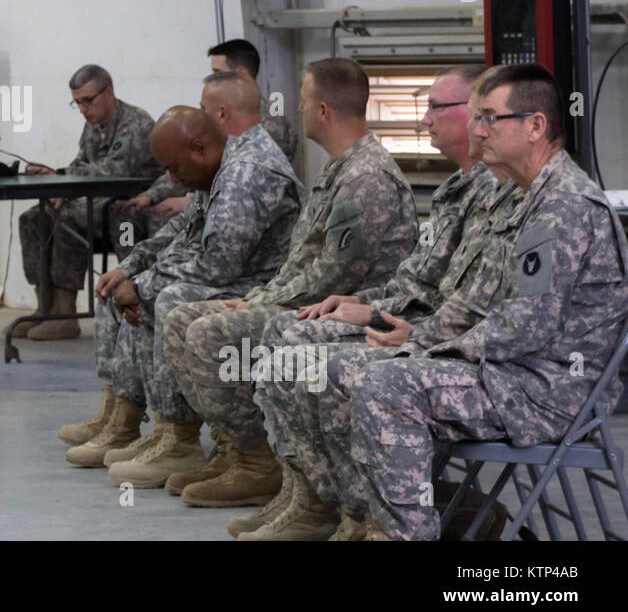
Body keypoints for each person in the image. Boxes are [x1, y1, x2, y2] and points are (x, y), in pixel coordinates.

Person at [242, 65, 524, 540]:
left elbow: (469, 309)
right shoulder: (462, 189)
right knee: (287, 344)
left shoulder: (504, 195)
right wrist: (366, 303)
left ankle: (369, 514)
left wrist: (382, 316)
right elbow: (424, 283)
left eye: (439, 108)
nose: (425, 120)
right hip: (426, 327)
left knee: (317, 360)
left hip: (481, 361)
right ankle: (324, 500)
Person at [350, 63, 628, 540]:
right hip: (519, 373)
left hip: (551, 391)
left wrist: (426, 348)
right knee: (367, 370)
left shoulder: (563, 206)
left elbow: (524, 327)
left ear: (535, 125)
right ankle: (390, 523)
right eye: (476, 118)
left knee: (388, 385)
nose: (477, 132)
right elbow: (488, 308)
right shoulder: (527, 196)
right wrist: (421, 340)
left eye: (490, 118)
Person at [166, 58, 418, 507]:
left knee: (209, 333)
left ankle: (259, 463)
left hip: (344, 313)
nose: (295, 112)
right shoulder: (338, 169)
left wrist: (255, 304)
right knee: (181, 317)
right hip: (309, 301)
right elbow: (299, 262)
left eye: (302, 103)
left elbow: (334, 276)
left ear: (323, 110)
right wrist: (257, 298)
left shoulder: (365, 177)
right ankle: (239, 452)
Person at [64, 95, 301, 487]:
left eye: (174, 168)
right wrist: (130, 267)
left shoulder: (245, 173)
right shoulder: (216, 167)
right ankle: (128, 418)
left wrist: (142, 287)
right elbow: (182, 230)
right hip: (235, 276)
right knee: (118, 289)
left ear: (200, 148)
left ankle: (181, 437)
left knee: (168, 297)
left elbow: (219, 263)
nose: (171, 180)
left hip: (263, 285)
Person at [110, 39, 297, 257]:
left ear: (241, 73)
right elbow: (186, 164)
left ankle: (153, 279)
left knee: (165, 219)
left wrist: (190, 200)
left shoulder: (268, 124)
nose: (210, 79)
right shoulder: (213, 116)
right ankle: (132, 274)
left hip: (241, 218)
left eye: (217, 73)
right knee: (127, 214)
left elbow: (255, 185)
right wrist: (151, 195)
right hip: (205, 199)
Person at [16, 65, 160, 340]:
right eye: (77, 102)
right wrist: (62, 185)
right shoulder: (93, 125)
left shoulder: (136, 123)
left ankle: (66, 314)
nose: (82, 108)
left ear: (109, 93)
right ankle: (45, 306)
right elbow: (82, 163)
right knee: (34, 219)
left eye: (87, 100)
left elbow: (116, 173)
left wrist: (62, 177)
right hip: (97, 198)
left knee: (68, 217)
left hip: (129, 205)